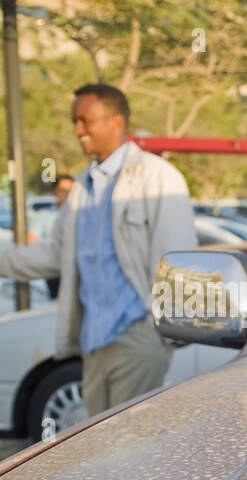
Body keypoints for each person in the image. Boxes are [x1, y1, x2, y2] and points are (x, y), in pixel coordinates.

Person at [0, 84, 195, 417]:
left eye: (85, 121)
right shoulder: (80, 187)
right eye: (75, 121)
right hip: (93, 342)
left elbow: (177, 261)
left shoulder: (156, 176)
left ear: (115, 122)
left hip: (138, 335)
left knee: (128, 450)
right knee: (100, 457)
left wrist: (160, 334)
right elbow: (52, 255)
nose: (77, 130)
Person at [40, 175, 76, 299]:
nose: (66, 194)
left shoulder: (83, 213)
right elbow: (32, 240)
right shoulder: (45, 215)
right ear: (55, 191)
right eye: (62, 190)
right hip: (55, 270)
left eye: (70, 190)